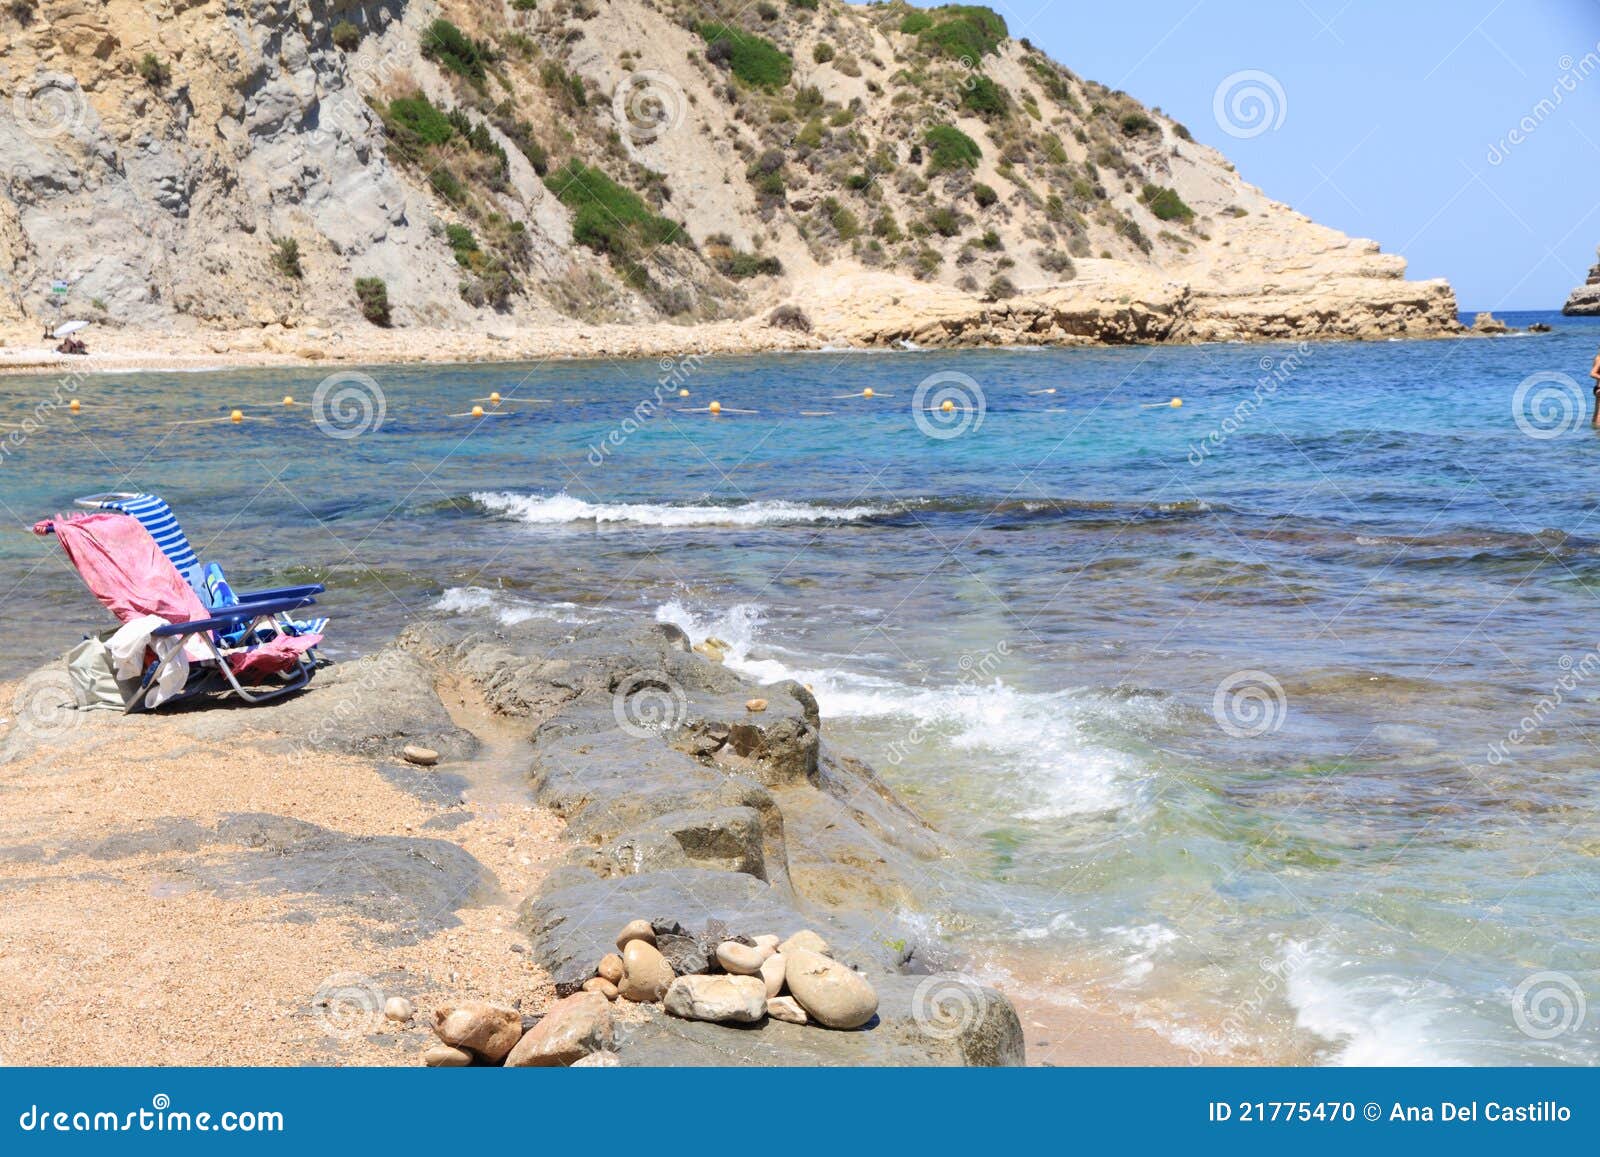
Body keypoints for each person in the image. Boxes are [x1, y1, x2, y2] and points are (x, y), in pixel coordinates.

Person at [1592, 346, 1600, 428]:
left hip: (1597, 388)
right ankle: (1598, 432)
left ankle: (1594, 433)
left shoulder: (1598, 357)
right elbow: (1592, 373)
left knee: (1596, 413)